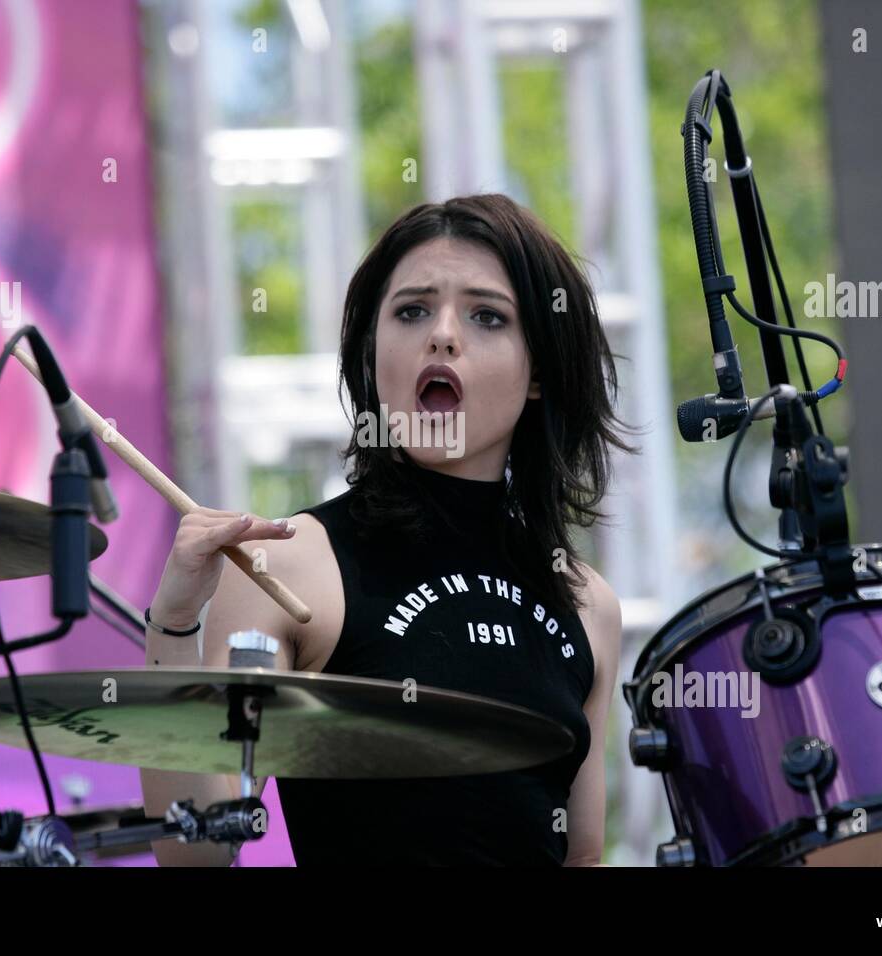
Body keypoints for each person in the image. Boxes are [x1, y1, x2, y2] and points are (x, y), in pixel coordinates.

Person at [141, 193, 632, 865]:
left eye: (487, 316)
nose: (443, 333)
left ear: (539, 373)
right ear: (373, 358)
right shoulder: (283, 565)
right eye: (411, 311)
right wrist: (171, 628)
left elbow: (581, 856)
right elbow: (195, 853)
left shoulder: (587, 604)